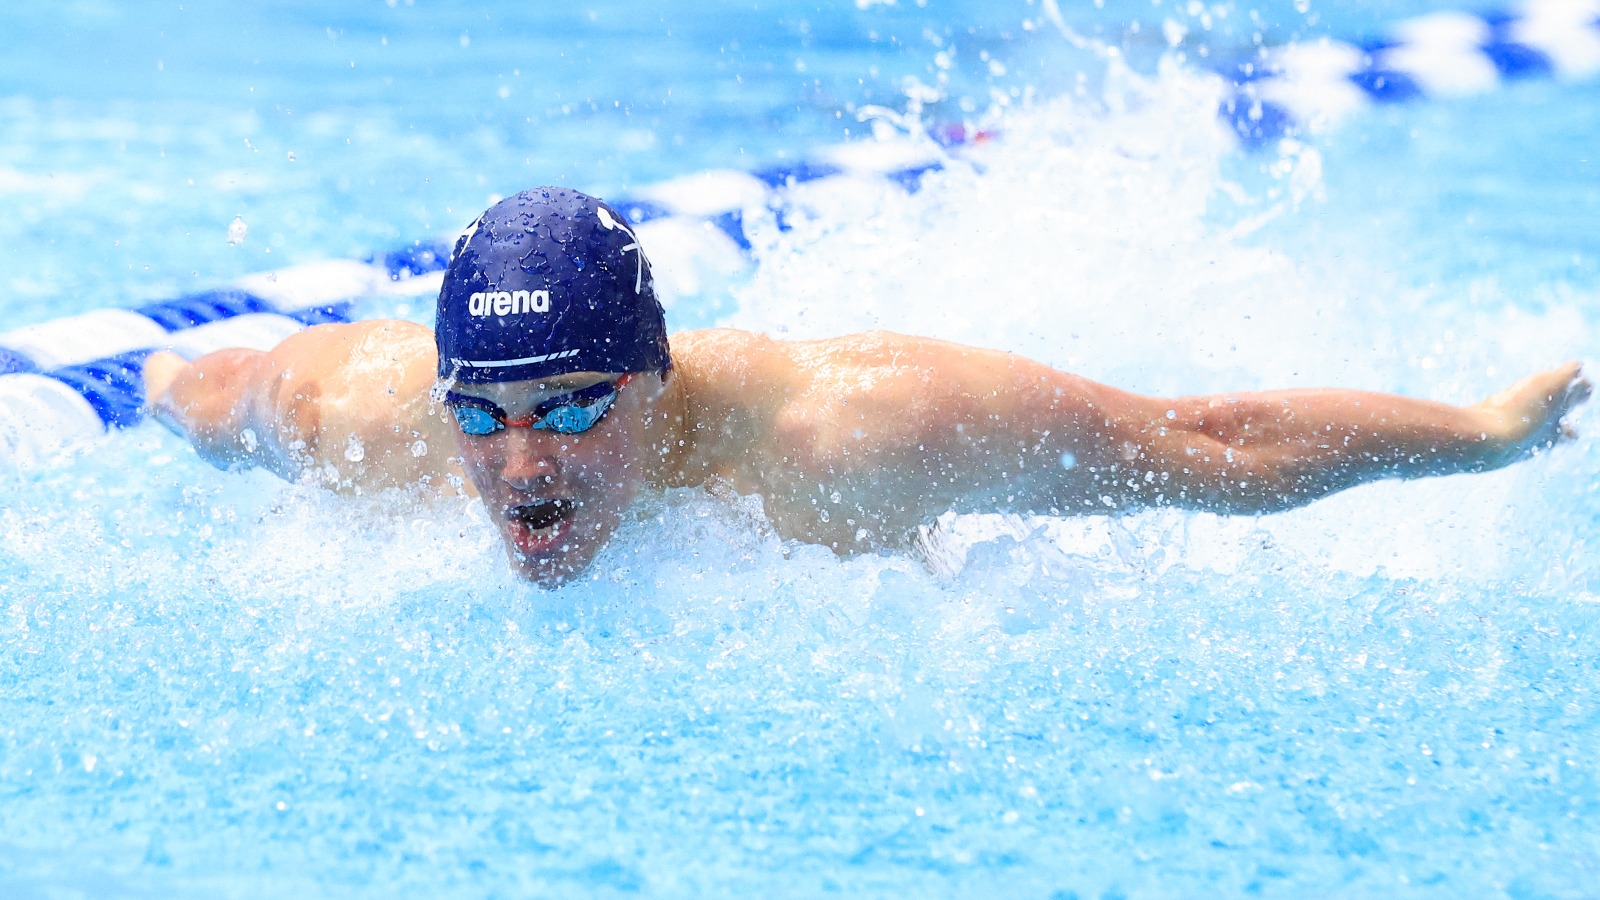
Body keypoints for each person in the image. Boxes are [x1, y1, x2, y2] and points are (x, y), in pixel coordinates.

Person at [144, 187, 1591, 584]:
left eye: (575, 404)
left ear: (652, 374)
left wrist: (1482, 434)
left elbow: (1201, 442)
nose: (522, 464)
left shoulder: (858, 436)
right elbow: (200, 390)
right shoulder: (362, 418)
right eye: (487, 413)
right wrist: (143, 377)